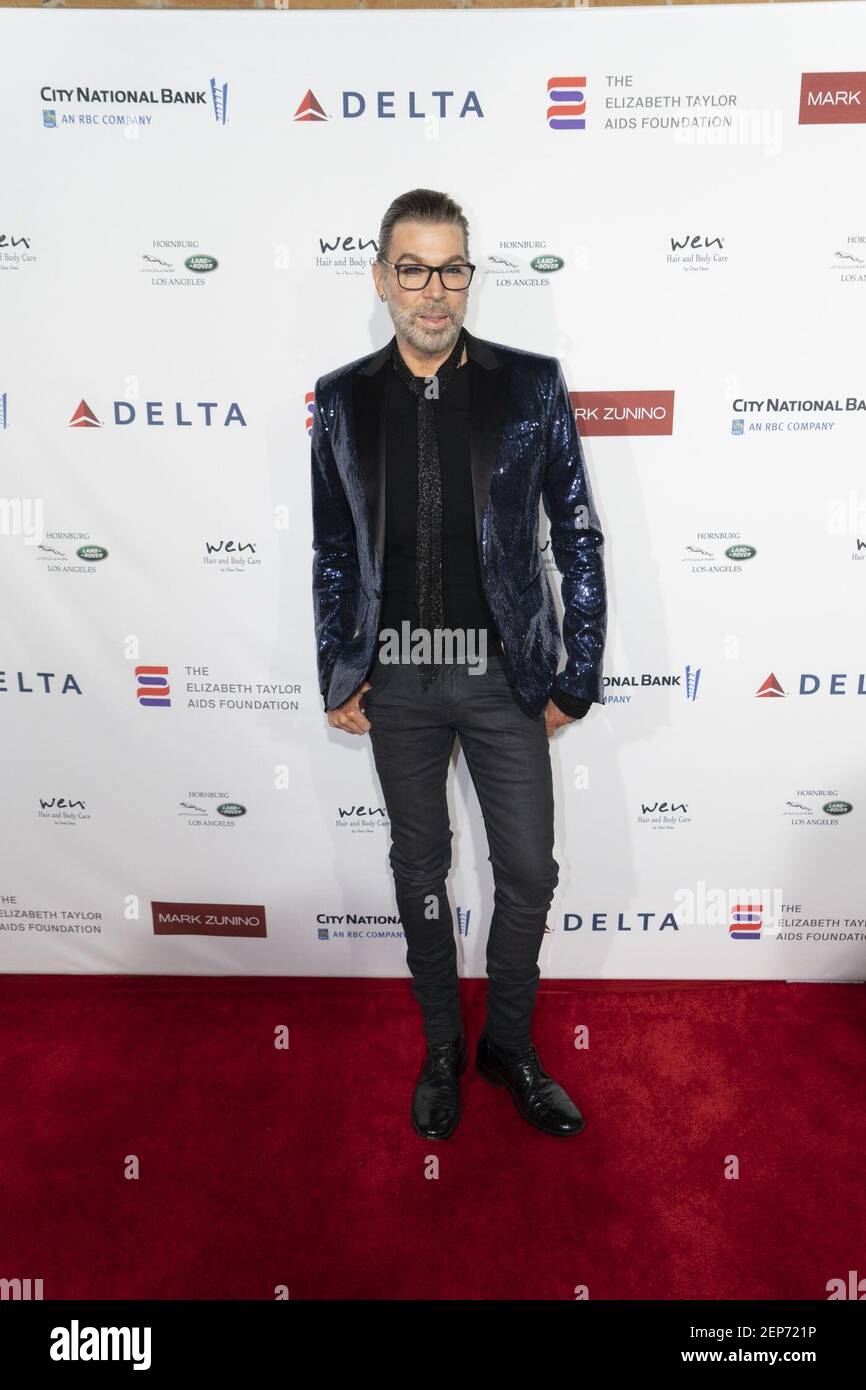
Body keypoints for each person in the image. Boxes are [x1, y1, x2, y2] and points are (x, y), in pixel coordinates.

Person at [310, 188, 607, 1140]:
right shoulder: (344, 397)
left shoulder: (531, 385)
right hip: (396, 674)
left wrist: (577, 669)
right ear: (381, 276)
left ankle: (508, 1046)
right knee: (420, 869)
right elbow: (331, 548)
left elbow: (578, 533)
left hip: (500, 673)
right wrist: (337, 666)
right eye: (413, 269)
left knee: (528, 872)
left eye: (450, 270)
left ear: (469, 275)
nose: (432, 292)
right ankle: (443, 1041)